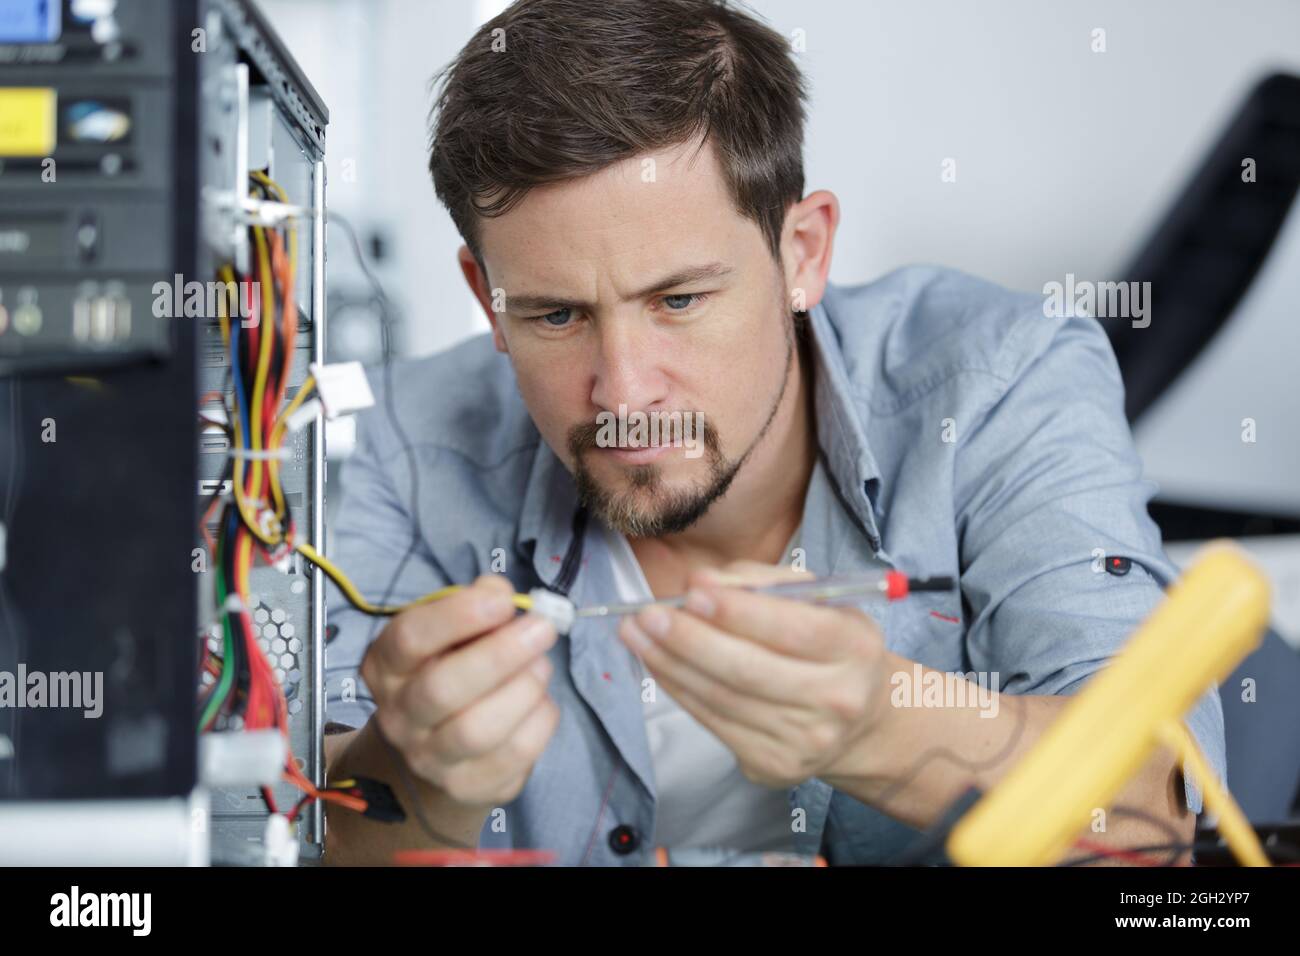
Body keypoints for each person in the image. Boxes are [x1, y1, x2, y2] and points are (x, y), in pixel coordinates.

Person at [321, 0, 1223, 866]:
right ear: (488, 299)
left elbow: (1153, 822)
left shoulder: (1000, 378)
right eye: (557, 317)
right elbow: (295, 825)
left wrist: (882, 723)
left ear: (803, 255)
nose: (625, 392)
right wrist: (417, 780)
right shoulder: (400, 444)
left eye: (678, 300)